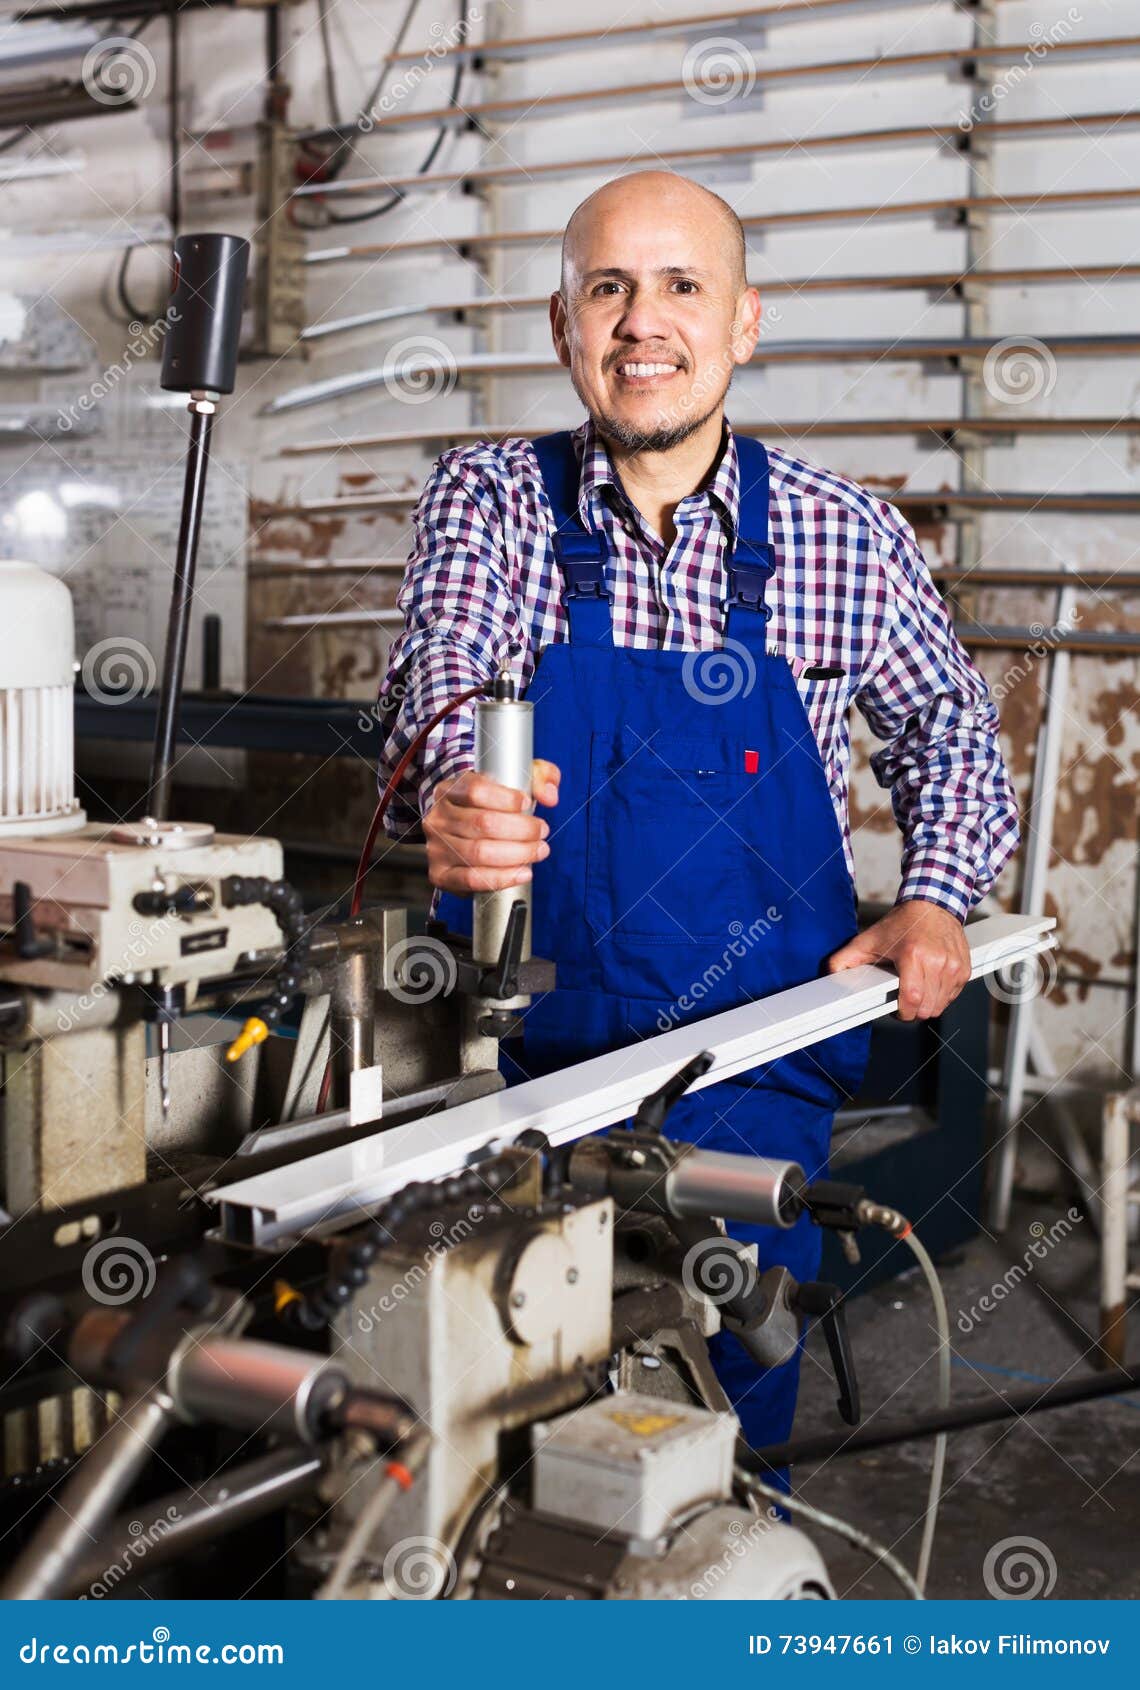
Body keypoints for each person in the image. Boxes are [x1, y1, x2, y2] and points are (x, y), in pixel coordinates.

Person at [377, 170, 1020, 1448]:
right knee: (479, 1409)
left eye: (682, 285)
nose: (640, 322)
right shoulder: (492, 500)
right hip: (509, 1057)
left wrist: (939, 895)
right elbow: (442, 669)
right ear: (562, 325)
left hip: (751, 1066)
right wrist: (459, 785)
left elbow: (952, 728)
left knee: (709, 1414)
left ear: (744, 323)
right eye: (606, 287)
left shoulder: (849, 539)